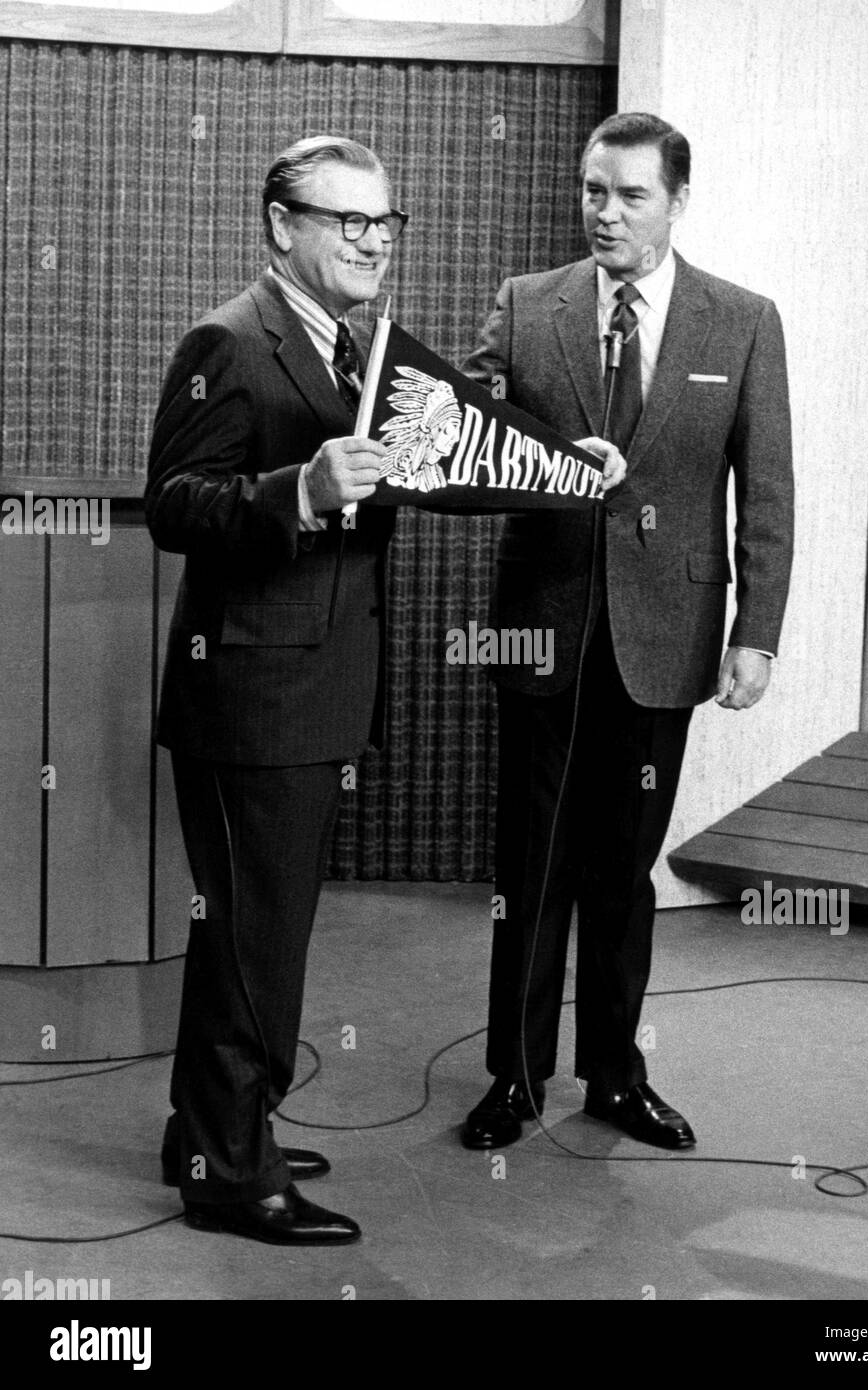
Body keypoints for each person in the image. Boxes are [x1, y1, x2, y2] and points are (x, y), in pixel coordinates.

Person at [460, 112, 794, 1151]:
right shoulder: (527, 305)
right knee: (531, 868)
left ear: (676, 202)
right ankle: (513, 1080)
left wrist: (757, 631)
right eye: (591, 191)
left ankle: (614, 1075)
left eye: (629, 196)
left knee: (622, 866)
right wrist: (552, 464)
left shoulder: (740, 320)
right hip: (544, 633)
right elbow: (460, 440)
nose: (604, 213)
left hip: (666, 639)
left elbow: (768, 489)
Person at [146, 134, 404, 1245]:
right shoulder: (231, 340)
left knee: (248, 932)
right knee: (260, 941)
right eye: (345, 220)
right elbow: (173, 504)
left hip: (310, 688)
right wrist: (296, 489)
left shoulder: (356, 349)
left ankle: (210, 1127)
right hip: (254, 698)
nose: (369, 241)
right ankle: (228, 1175)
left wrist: (555, 463)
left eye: (382, 223)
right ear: (280, 226)